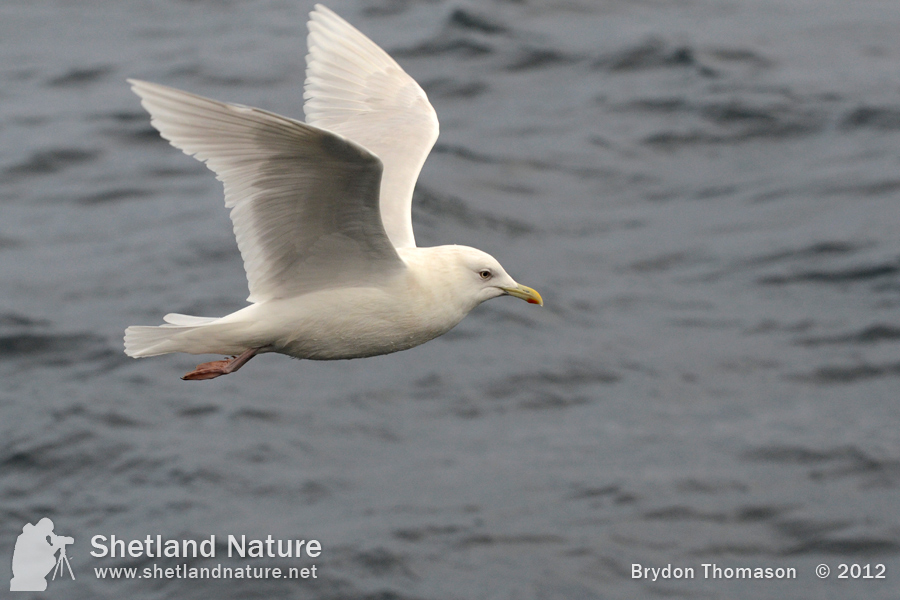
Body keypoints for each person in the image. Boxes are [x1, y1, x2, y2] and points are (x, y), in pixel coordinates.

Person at [9, 518, 73, 591]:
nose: (48, 533)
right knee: (52, 559)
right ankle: (36, 578)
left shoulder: (30, 534)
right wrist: (57, 545)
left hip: (22, 570)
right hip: (25, 571)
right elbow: (46, 552)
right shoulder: (33, 536)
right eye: (48, 531)